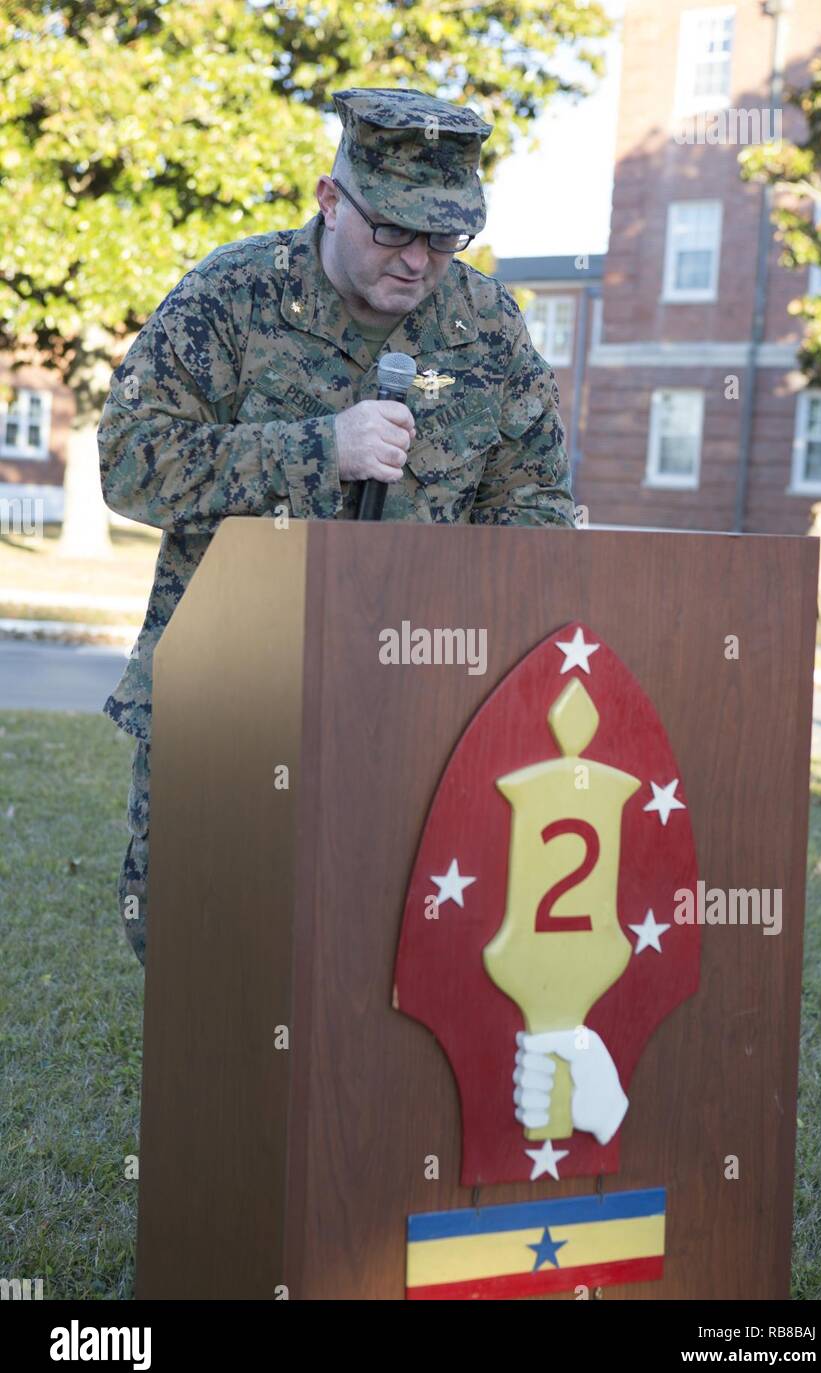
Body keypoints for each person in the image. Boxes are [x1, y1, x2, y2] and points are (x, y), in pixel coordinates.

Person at [98, 86, 577, 967]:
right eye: (392, 228)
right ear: (330, 198)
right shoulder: (232, 296)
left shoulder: (490, 331)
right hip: (233, 685)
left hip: (410, 699)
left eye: (444, 236)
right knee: (189, 935)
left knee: (378, 948)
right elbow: (130, 460)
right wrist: (322, 450)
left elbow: (536, 514)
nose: (417, 261)